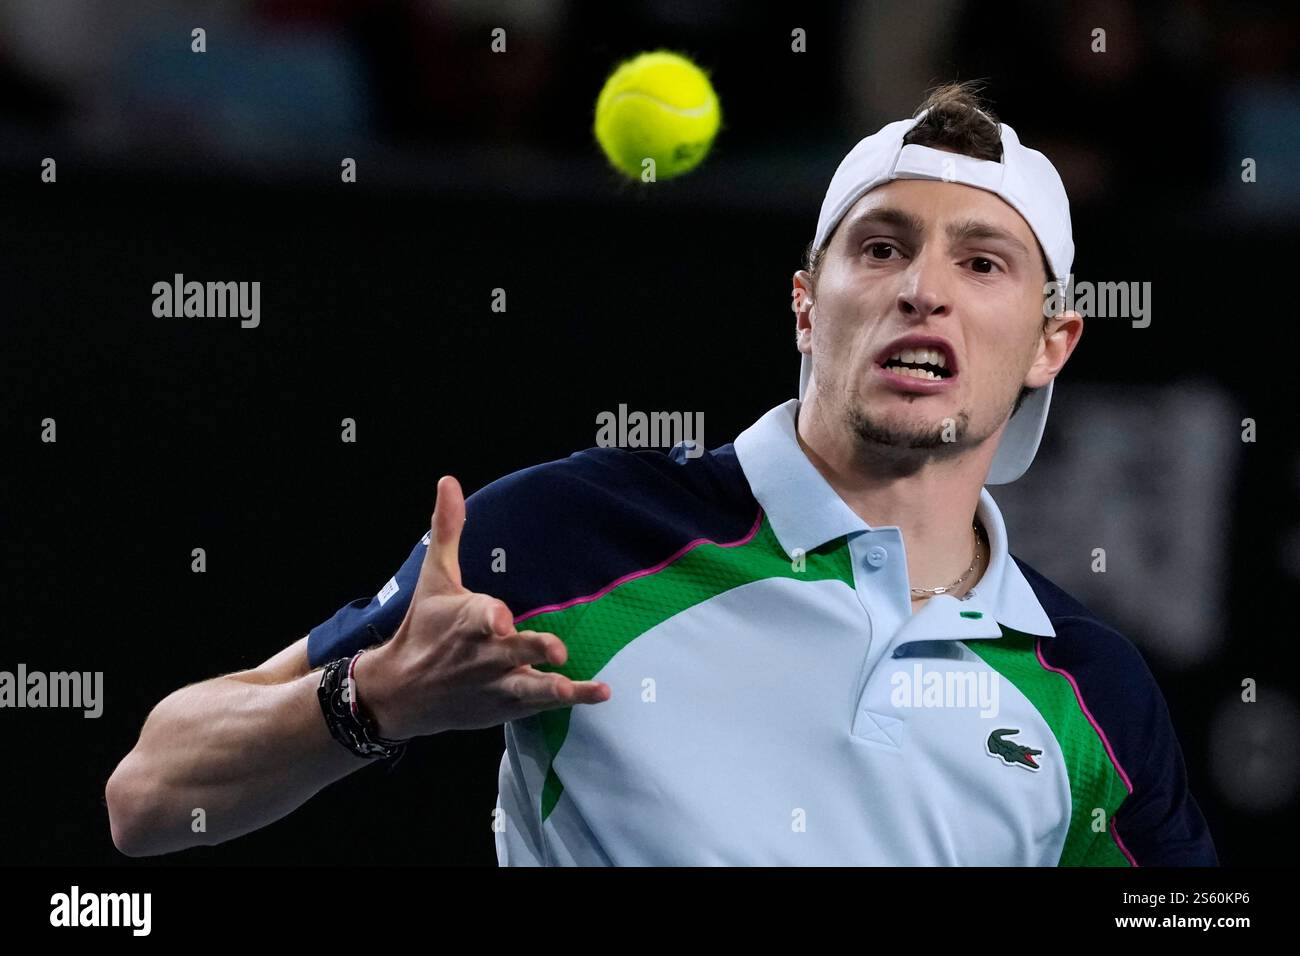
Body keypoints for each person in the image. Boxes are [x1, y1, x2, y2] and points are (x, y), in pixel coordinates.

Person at [106, 82, 1217, 866]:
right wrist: (377, 697)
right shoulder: (576, 532)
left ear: (1050, 343)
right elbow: (148, 794)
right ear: (805, 306)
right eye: (881, 247)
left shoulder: (1094, 692)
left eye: (981, 262)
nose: (922, 288)